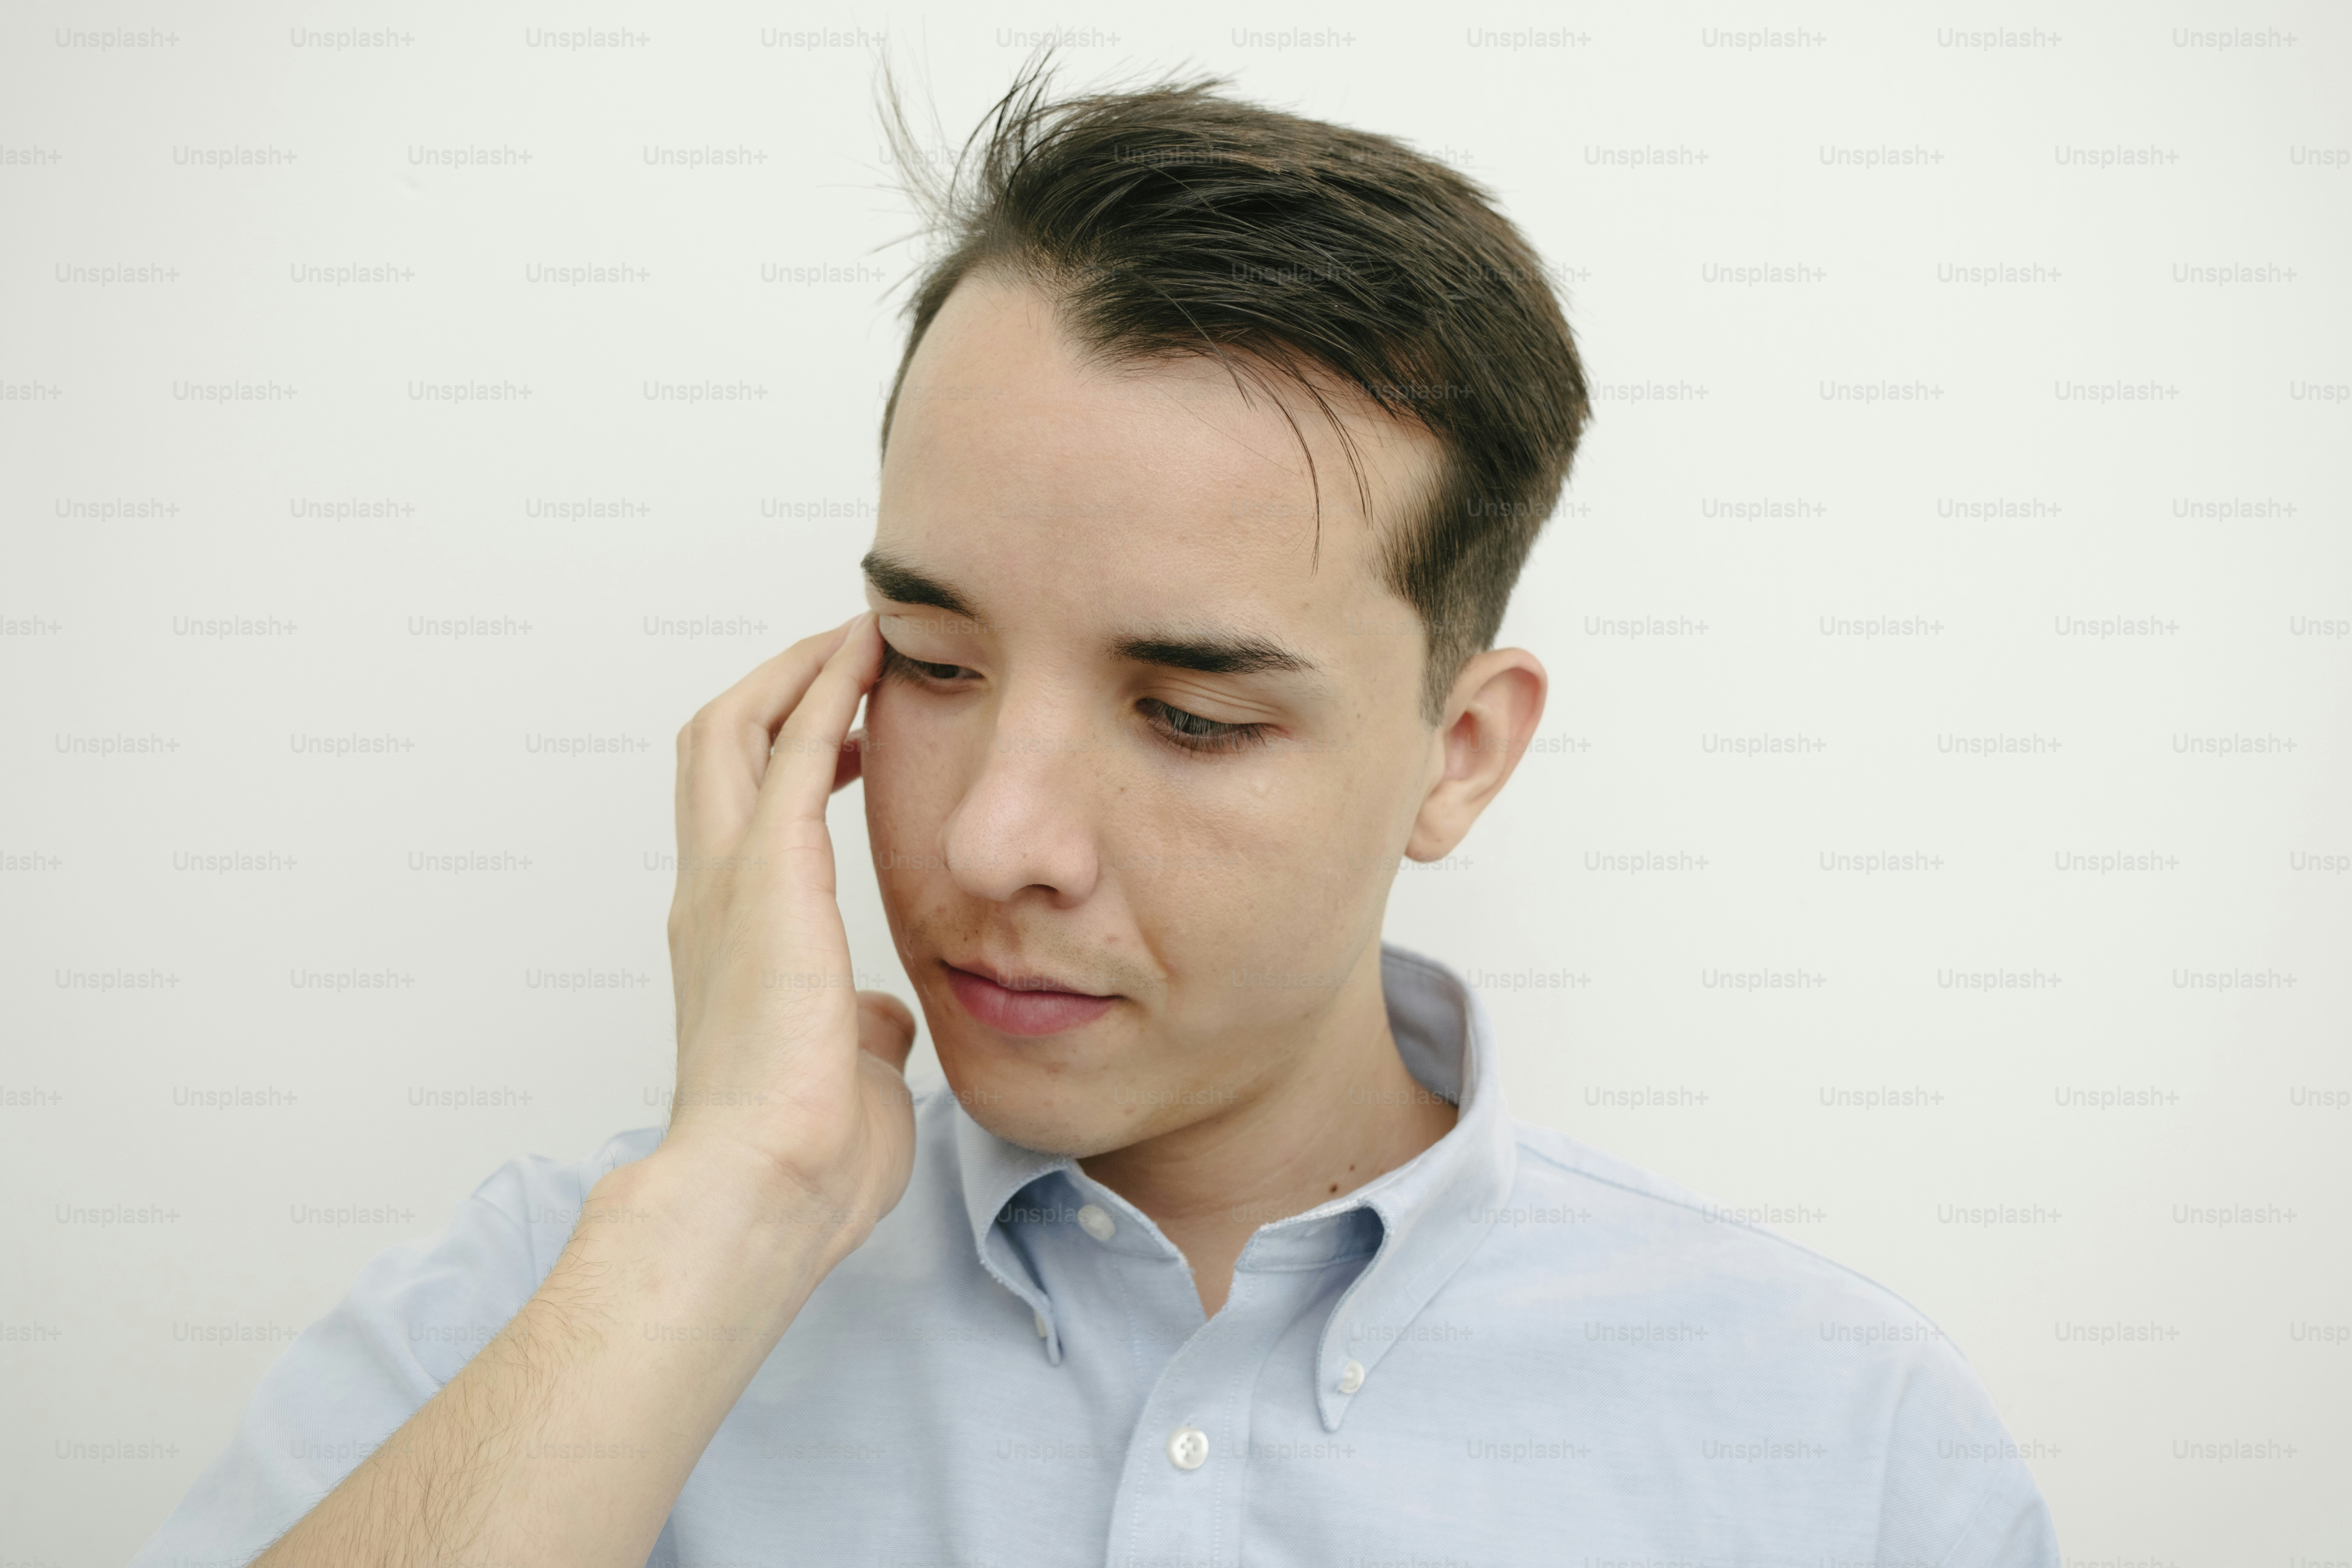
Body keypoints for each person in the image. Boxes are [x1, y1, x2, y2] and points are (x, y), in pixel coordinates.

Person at [133, 66, 2058, 1568]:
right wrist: (730, 1214)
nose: (990, 847)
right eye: (934, 662)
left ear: (1459, 756)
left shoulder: (1830, 1434)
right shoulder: (558, 1297)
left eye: (1191, 714)